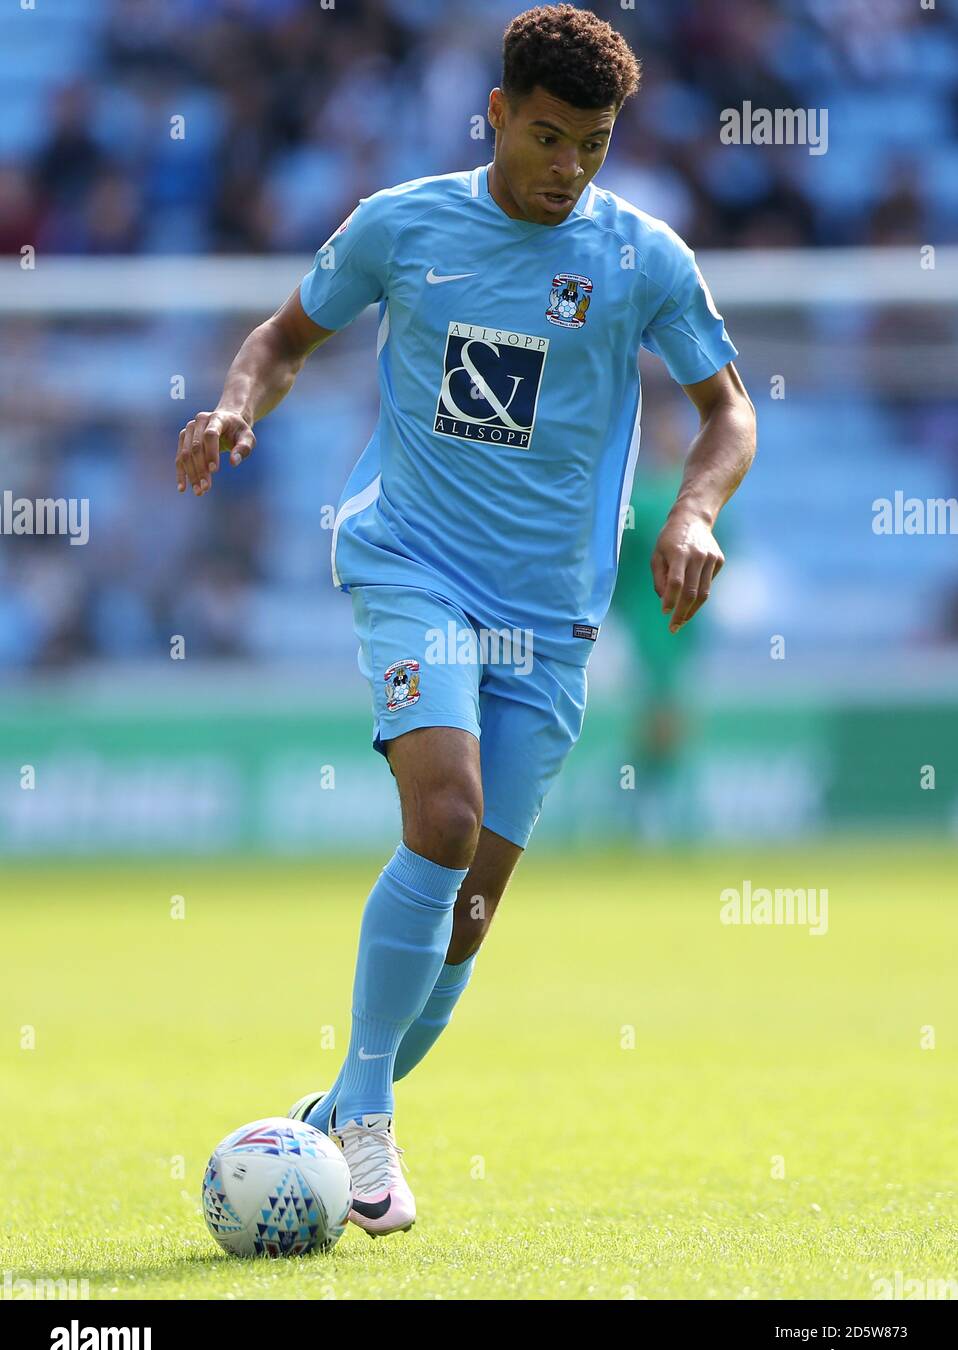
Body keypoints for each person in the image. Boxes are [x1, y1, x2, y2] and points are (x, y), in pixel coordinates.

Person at [174, 4, 756, 1238]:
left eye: (592, 144)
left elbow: (729, 413)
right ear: (495, 113)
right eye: (547, 138)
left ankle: (334, 1113)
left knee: (471, 915)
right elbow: (284, 336)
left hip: (549, 616)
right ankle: (371, 1122)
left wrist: (695, 512)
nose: (569, 168)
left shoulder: (641, 254)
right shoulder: (400, 225)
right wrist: (238, 407)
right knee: (441, 818)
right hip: (412, 564)